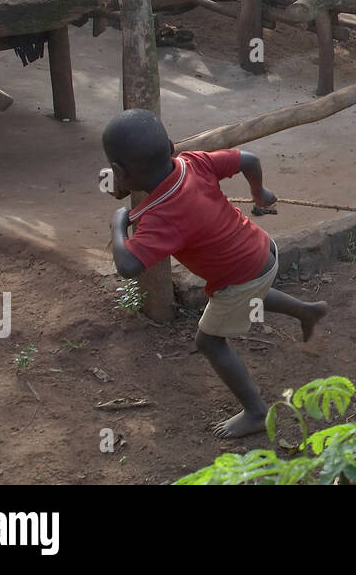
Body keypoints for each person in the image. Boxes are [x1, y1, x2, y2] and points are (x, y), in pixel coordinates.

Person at [102, 109, 327, 439]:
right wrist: (259, 194)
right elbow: (248, 159)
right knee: (250, 294)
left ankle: (255, 412)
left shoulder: (159, 219)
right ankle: (307, 311)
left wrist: (118, 225)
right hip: (263, 251)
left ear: (119, 171)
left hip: (242, 275)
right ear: (170, 146)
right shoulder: (193, 163)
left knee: (208, 340)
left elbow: (128, 266)